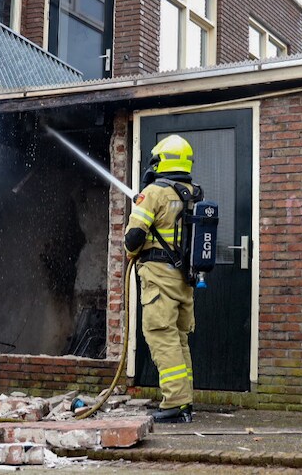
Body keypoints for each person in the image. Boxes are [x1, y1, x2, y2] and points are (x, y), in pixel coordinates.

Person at [123, 134, 201, 424]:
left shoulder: (153, 193)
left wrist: (130, 249)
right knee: (179, 340)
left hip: (158, 279)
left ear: (162, 160)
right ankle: (185, 402)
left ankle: (175, 403)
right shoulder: (192, 192)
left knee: (161, 336)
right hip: (184, 280)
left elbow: (133, 239)